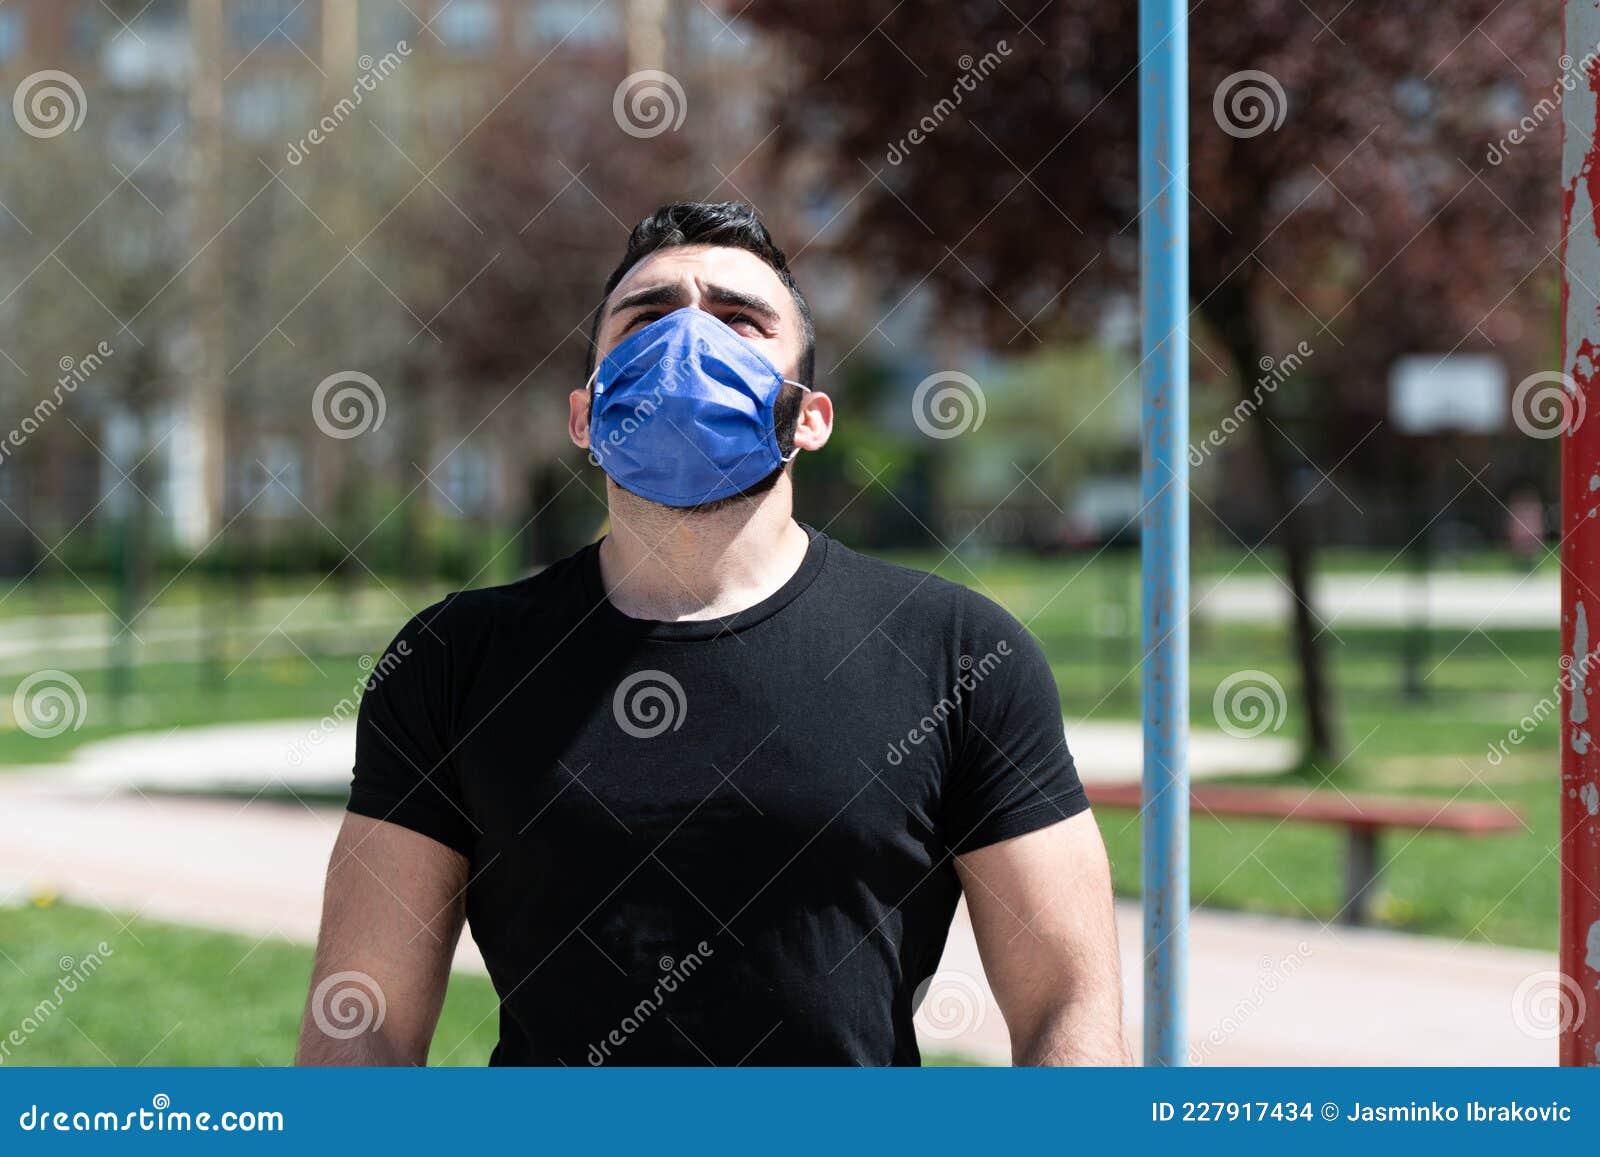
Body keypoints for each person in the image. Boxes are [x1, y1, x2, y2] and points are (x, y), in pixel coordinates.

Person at [297, 201, 1128, 1067]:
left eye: (739, 321)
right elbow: (364, 1028)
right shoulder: (452, 663)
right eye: (649, 318)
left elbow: (1066, 1006)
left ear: (808, 416)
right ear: (585, 417)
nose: (688, 342)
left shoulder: (958, 656)